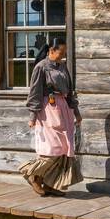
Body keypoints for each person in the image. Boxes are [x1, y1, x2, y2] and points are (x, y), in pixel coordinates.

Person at [19, 39, 81, 195]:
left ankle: (50, 184)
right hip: (48, 111)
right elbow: (35, 93)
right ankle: (34, 175)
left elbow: (70, 91)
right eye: (61, 52)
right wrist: (33, 116)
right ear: (51, 51)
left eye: (64, 53)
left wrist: (76, 112)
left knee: (64, 148)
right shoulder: (41, 67)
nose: (63, 55)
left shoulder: (63, 67)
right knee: (51, 148)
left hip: (64, 110)